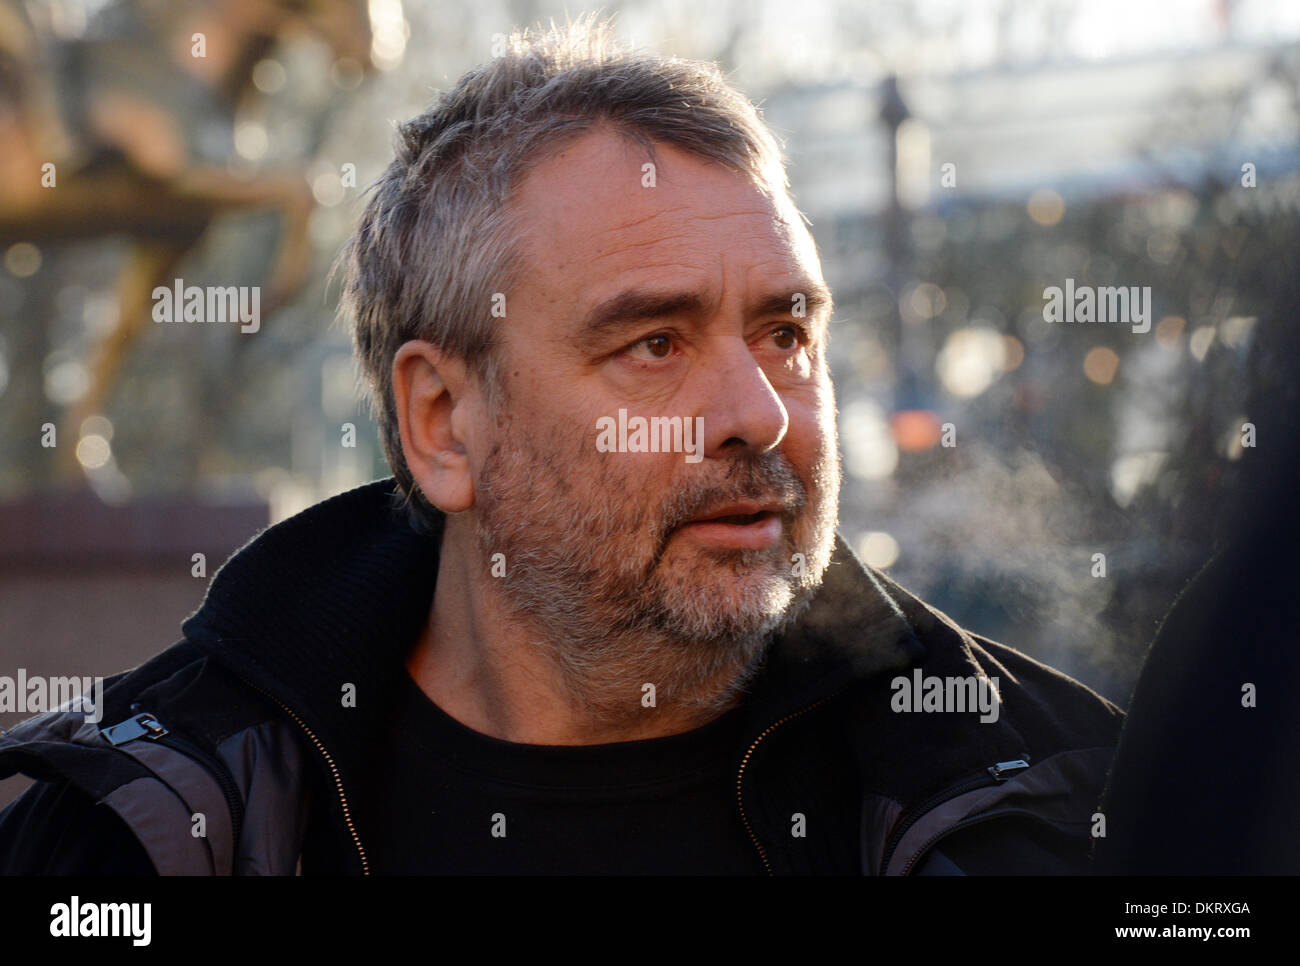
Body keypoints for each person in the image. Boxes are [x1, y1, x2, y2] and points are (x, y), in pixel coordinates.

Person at [0, 18, 1121, 875]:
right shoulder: (131, 832)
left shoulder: (1061, 803)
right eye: (651, 343)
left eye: (786, 334)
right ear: (443, 422)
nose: (760, 412)